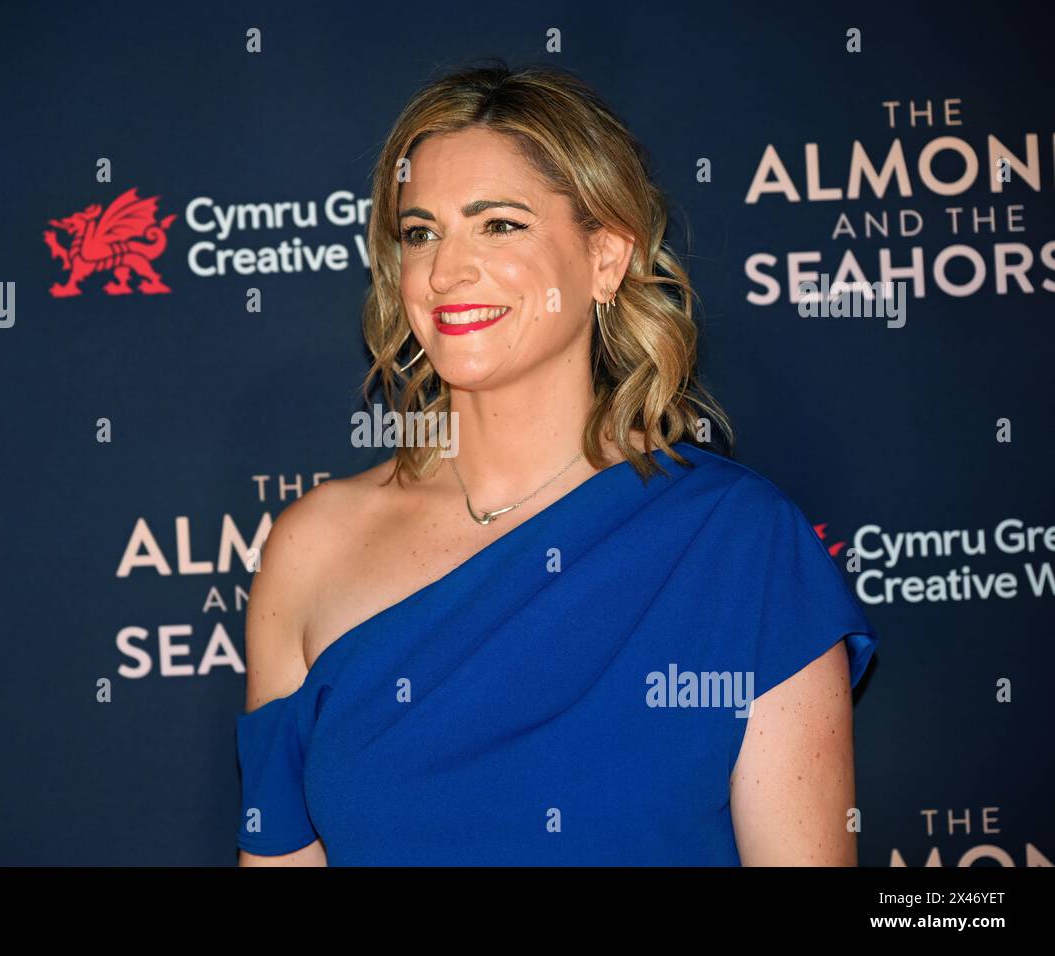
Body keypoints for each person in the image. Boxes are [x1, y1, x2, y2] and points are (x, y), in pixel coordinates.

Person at [235, 61, 877, 866]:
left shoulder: (738, 546)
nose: (445, 270)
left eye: (498, 224)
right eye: (420, 232)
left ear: (607, 258)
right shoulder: (313, 547)